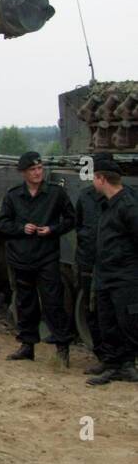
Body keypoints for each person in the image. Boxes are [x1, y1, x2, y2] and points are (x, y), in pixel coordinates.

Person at [0, 151, 76, 366]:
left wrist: (53, 229)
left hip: (46, 255)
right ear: (24, 173)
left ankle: (62, 347)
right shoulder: (13, 196)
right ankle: (27, 345)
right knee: (25, 303)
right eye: (33, 169)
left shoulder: (55, 194)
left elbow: (71, 219)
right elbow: (3, 223)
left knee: (53, 302)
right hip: (21, 257)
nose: (38, 172)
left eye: (40, 168)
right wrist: (21, 228)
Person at [84, 153, 138, 385]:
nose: (92, 182)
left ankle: (126, 365)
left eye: (94, 177)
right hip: (106, 273)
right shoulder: (108, 205)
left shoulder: (128, 206)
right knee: (107, 320)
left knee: (126, 321)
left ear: (101, 178)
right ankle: (113, 363)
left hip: (124, 274)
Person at [73, 174, 112, 376]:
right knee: (92, 310)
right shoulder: (85, 196)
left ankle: (119, 360)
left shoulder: (122, 197)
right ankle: (103, 357)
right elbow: (78, 224)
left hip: (114, 263)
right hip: (89, 260)